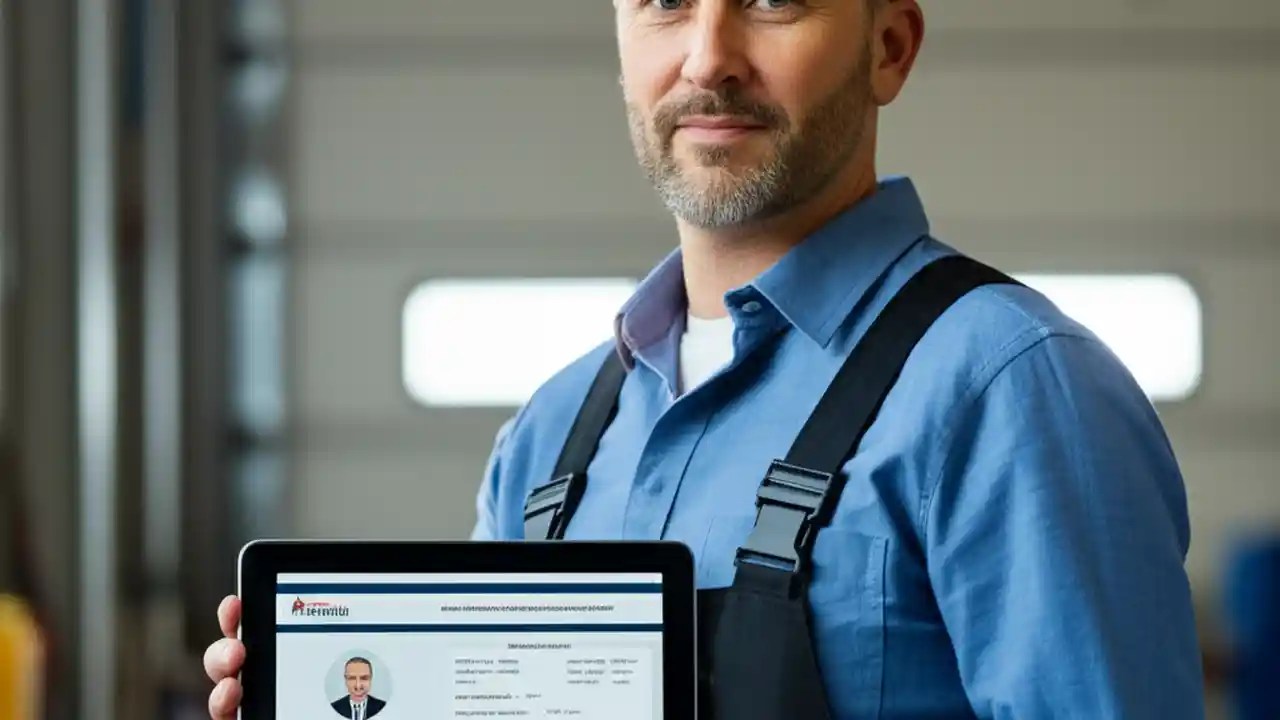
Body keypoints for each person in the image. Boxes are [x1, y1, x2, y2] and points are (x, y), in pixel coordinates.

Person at [206, 0, 1207, 717]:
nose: (707, 57)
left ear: (888, 46)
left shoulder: (1009, 388)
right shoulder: (552, 439)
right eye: (662, 3)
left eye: (772, 2)